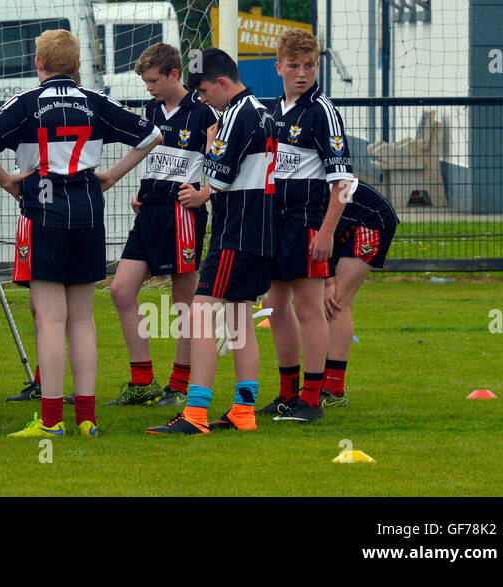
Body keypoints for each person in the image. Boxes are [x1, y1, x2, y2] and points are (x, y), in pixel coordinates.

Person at [0, 29, 160, 438]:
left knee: (51, 320)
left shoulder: (26, 104)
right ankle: (88, 419)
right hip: (89, 211)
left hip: (44, 210)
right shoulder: (94, 101)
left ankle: (51, 420)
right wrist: (110, 175)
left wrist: (7, 180)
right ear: (78, 67)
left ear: (38, 64)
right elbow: (151, 135)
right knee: (82, 319)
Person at [147, 48, 275, 435]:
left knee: (201, 311)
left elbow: (216, 176)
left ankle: (196, 413)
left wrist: (210, 144)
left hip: (235, 231)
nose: (201, 99)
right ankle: (244, 410)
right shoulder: (264, 111)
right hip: (261, 230)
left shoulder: (235, 115)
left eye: (203, 91)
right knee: (239, 318)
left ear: (222, 83)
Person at [108, 43, 217, 407]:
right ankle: (142, 382)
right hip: (150, 211)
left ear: (174, 74)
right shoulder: (151, 109)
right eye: (145, 81)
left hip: (181, 214)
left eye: (153, 80)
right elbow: (147, 153)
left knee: (183, 302)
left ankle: (180, 385)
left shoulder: (202, 112)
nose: (148, 87)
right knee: (121, 290)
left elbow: (219, 161)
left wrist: (205, 194)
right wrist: (141, 191)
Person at [261, 28, 354, 424]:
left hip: (307, 224)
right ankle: (287, 394)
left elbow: (344, 182)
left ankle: (312, 399)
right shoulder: (270, 109)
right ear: (278, 67)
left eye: (310, 65)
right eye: (294, 66)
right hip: (273, 223)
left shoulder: (322, 110)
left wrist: (328, 232)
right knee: (274, 308)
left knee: (309, 309)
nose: (302, 73)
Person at [323, 178, 398, 405]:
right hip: (342, 220)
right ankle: (320, 383)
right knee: (321, 301)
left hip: (369, 218)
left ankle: (333, 390)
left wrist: (328, 279)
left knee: (337, 301)